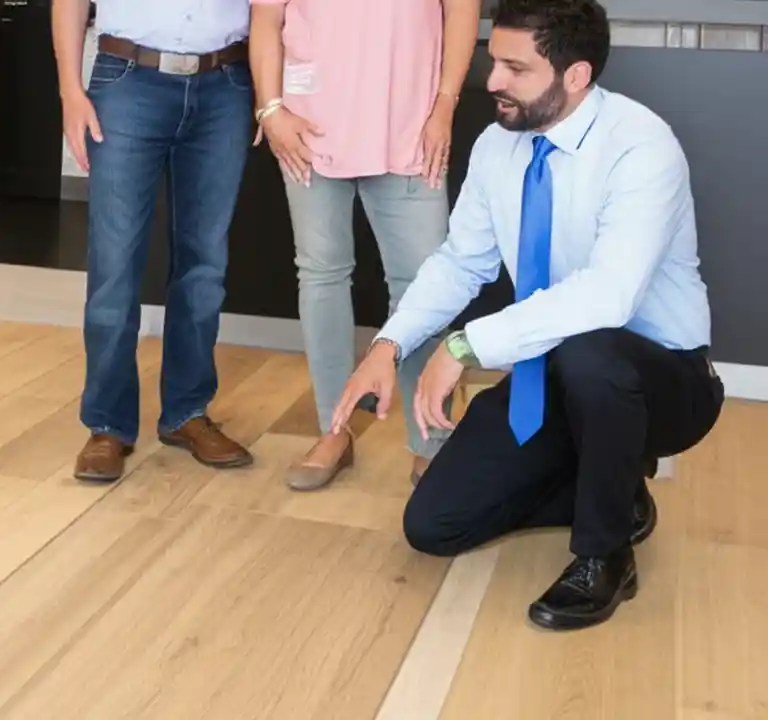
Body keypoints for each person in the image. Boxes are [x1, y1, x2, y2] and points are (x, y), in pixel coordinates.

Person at [331, 0, 724, 631]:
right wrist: (389, 345)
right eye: (494, 62)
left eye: (515, 68)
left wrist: (463, 348)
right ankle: (617, 492)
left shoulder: (641, 146)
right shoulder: (497, 144)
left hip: (663, 385)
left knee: (590, 348)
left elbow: (609, 295)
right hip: (560, 380)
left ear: (575, 76)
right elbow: (462, 261)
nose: (491, 82)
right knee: (433, 524)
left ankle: (604, 555)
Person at [248, 0, 483, 491]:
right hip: (307, 127)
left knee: (425, 285)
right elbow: (267, 17)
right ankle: (332, 431)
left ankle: (431, 444)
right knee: (321, 277)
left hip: (411, 126)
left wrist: (444, 104)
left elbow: (462, 10)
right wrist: (270, 110)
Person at [53, 0, 257, 482]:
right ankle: (107, 425)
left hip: (224, 83)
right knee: (115, 264)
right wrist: (69, 90)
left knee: (204, 264)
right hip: (128, 78)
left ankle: (187, 413)